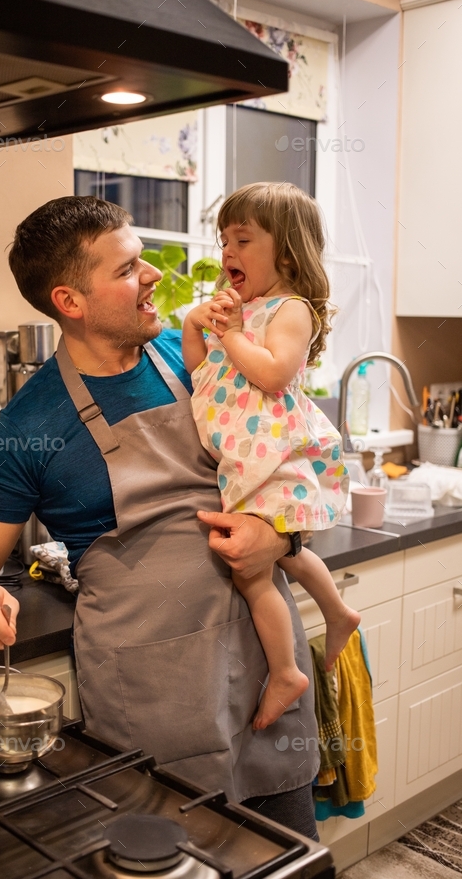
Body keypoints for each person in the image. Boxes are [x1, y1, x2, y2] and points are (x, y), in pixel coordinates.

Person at [0, 195, 321, 840]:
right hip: (154, 691)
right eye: (127, 269)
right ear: (70, 302)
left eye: (142, 259)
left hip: (260, 665)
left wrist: (281, 537)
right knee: (169, 857)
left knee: (291, 853)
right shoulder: (29, 424)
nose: (153, 277)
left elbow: (292, 464)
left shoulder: (199, 358)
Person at [183, 182, 360, 730]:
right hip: (244, 456)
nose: (227, 253)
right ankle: (337, 612)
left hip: (273, 452)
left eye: (243, 240)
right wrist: (197, 324)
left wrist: (235, 331)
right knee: (280, 551)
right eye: (223, 241)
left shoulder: (289, 310)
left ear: (285, 251)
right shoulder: (244, 311)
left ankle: (286, 670)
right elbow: (200, 370)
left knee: (254, 572)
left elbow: (275, 373)